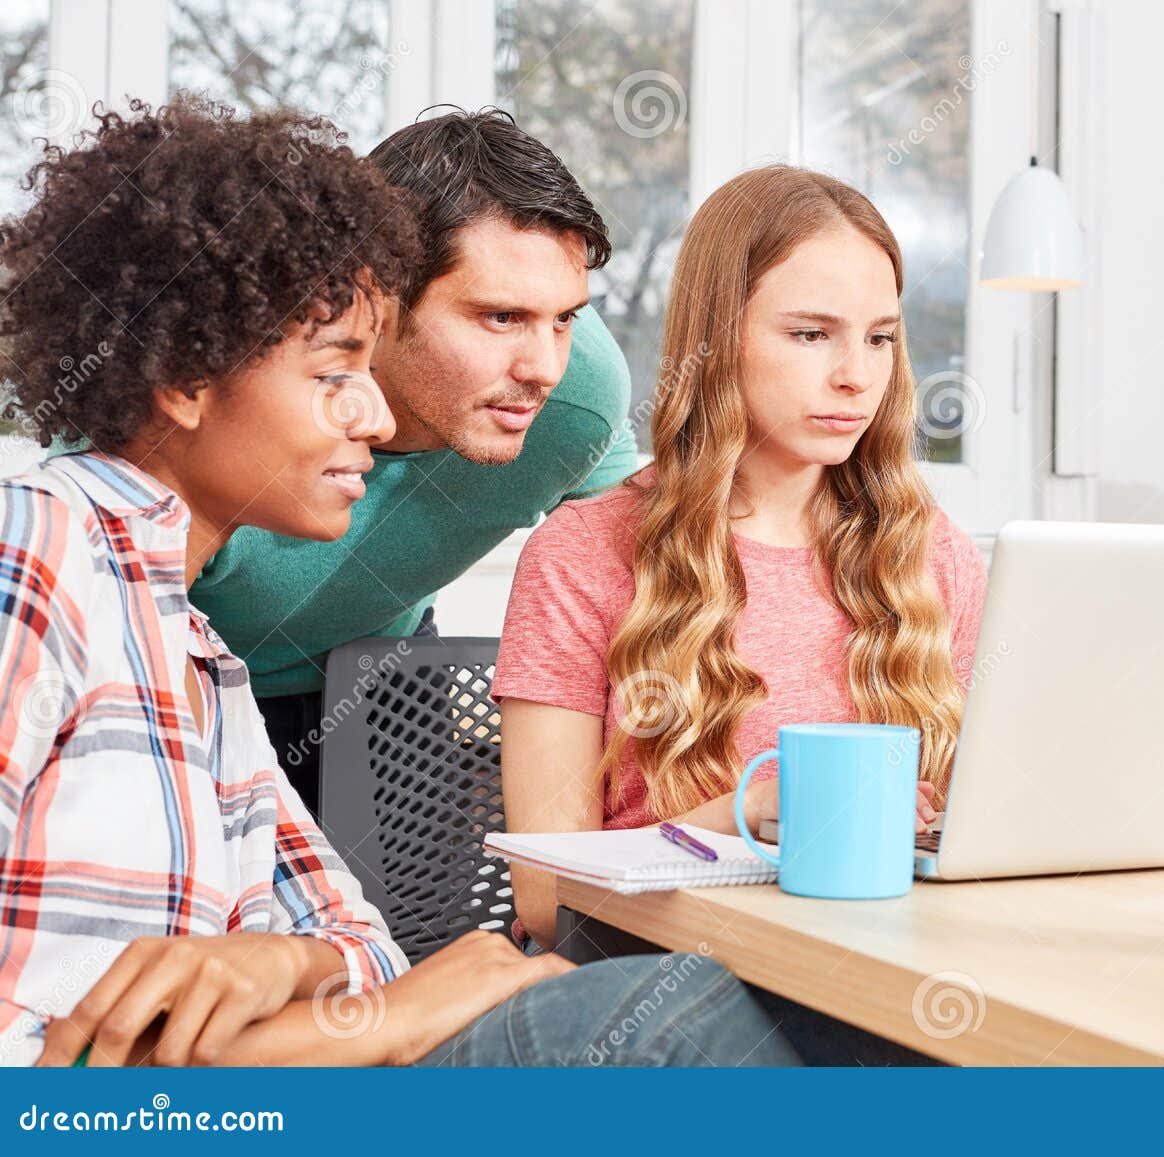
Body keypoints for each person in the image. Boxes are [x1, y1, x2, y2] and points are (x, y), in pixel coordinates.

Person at [0, 98, 795, 1068]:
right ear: (186, 377)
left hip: (351, 692)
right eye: (338, 368)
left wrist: (284, 967)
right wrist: (369, 1020)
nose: (374, 420)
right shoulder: (39, 546)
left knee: (704, 1000)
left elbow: (362, 949)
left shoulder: (200, 662)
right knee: (671, 1017)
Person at [493, 165, 988, 949]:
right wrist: (742, 814)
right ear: (718, 338)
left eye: (881, 338)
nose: (857, 375)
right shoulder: (583, 555)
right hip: (661, 976)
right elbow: (549, 897)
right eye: (810, 334)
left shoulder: (930, 554)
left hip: (885, 963)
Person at [185, 108, 639, 817]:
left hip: (384, 676)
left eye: (564, 317)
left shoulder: (581, 389)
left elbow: (634, 580)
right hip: (194, 676)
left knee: (415, 927)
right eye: (500, 317)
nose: (545, 367)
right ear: (378, 293)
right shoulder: (235, 394)